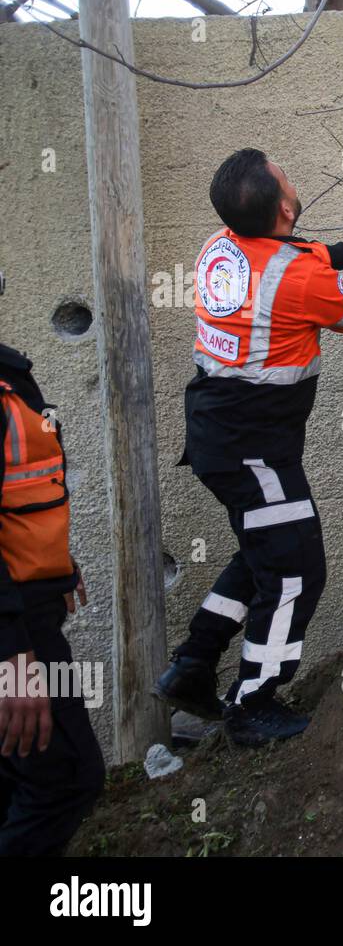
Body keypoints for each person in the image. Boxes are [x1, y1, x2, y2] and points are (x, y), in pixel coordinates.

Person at [153, 149, 343, 746]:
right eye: (286, 178)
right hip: (255, 451)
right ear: (287, 206)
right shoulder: (295, 276)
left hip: (220, 434)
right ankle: (252, 703)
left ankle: (191, 668)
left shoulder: (222, 245)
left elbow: (283, 259)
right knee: (297, 570)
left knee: (264, 553)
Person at [0, 324, 104, 854]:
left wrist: (55, 565)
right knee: (64, 781)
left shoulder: (11, 373)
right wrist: (14, 658)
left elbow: (26, 491)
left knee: (18, 785)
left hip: (28, 608)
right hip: (15, 635)